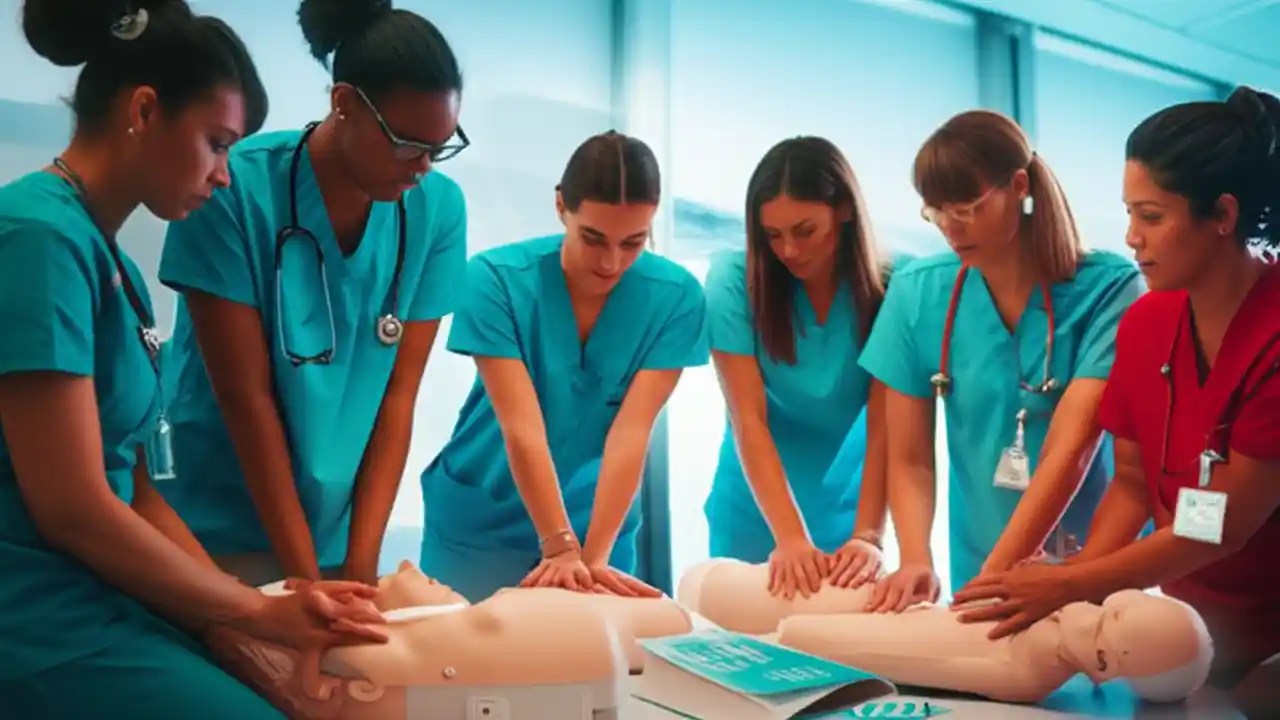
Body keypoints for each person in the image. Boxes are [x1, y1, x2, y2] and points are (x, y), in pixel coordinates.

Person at [0, 1, 385, 716]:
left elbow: (138, 489)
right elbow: (75, 508)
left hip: (106, 600)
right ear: (145, 111)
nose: (225, 177)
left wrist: (233, 624)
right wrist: (253, 612)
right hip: (37, 620)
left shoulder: (111, 264)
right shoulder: (37, 240)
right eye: (216, 143)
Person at [952, 86, 1280, 718]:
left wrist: (1071, 582)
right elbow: (1131, 483)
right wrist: (1071, 602)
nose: (1132, 238)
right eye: (1129, 214)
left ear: (1224, 215)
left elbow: (1223, 528)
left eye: (1152, 217)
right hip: (1189, 624)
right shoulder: (1147, 322)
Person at [156, 0, 468, 586]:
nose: (423, 166)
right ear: (344, 103)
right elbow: (244, 399)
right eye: (407, 144)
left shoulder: (438, 209)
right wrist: (306, 583)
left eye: (441, 146)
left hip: (335, 533)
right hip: (213, 526)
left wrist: (356, 570)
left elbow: (397, 399)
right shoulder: (234, 186)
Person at [859, 110, 1144, 611]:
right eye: (935, 211)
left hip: (1092, 565)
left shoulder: (1110, 287)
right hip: (979, 561)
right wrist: (916, 558)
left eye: (967, 207)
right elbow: (909, 458)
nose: (950, 226)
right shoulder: (918, 291)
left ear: (1018, 186)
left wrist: (996, 579)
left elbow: (1071, 448)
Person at [418, 131, 709, 603]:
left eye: (634, 241)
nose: (612, 262)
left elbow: (632, 433)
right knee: (463, 665)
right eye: (593, 238)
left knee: (596, 666)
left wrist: (593, 558)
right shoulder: (494, 280)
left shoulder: (676, 297)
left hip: (599, 522)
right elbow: (522, 427)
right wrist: (558, 543)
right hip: (481, 520)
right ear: (561, 207)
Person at [703, 137, 892, 600]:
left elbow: (889, 426)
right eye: (772, 235)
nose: (787, 249)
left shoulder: (894, 287)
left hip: (850, 513)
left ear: (844, 210)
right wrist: (788, 536)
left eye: (805, 230)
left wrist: (869, 534)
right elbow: (747, 417)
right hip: (754, 510)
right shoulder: (733, 278)